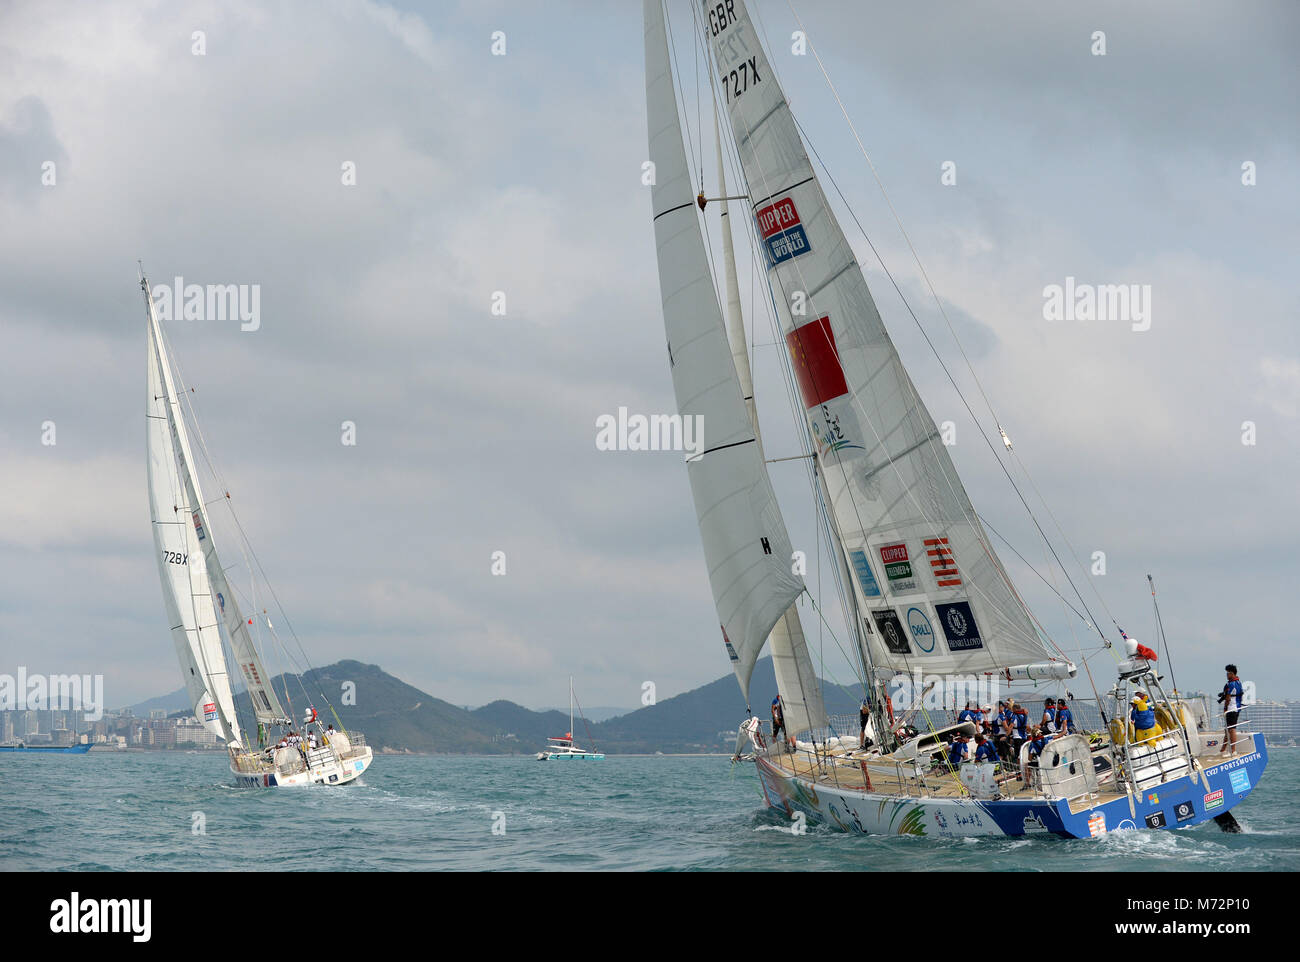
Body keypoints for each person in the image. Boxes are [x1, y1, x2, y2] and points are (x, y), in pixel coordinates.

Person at [1218, 664, 1244, 755]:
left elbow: (1228, 698)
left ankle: (1233, 750)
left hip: (1231, 709)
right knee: (1227, 730)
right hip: (1236, 708)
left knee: (1231, 729)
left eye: (1228, 673)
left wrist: (1225, 709)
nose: (1227, 675)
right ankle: (1223, 749)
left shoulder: (1231, 684)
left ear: (1232, 674)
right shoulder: (1238, 682)